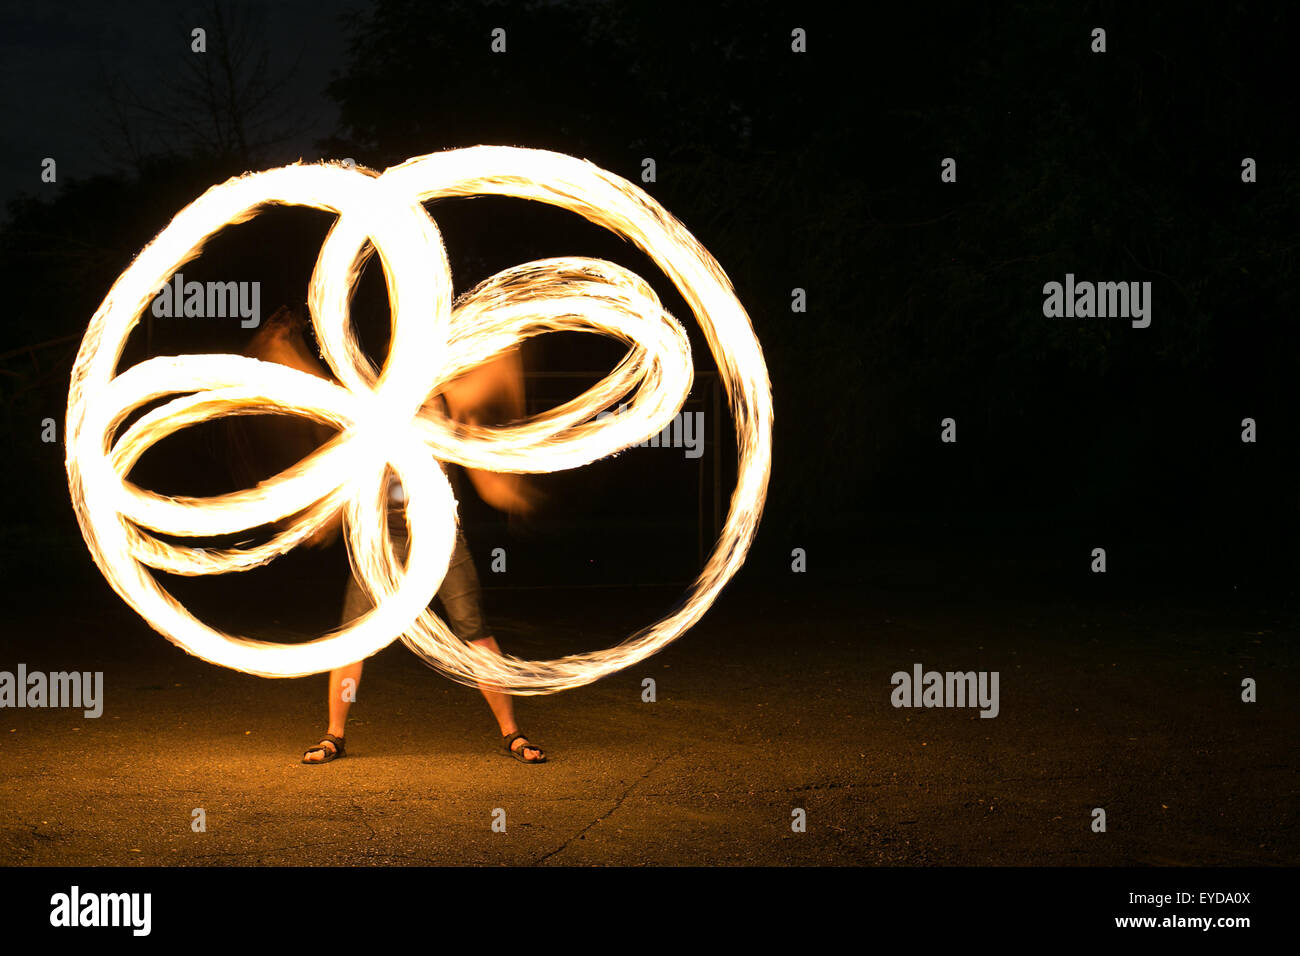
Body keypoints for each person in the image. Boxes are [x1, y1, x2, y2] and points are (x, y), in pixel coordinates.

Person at [240, 306, 547, 766]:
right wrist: (284, 348)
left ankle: (513, 734)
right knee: (353, 637)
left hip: (439, 534)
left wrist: (505, 492)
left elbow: (477, 450)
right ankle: (333, 736)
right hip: (383, 535)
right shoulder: (375, 403)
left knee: (475, 633)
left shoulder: (446, 399)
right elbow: (326, 416)